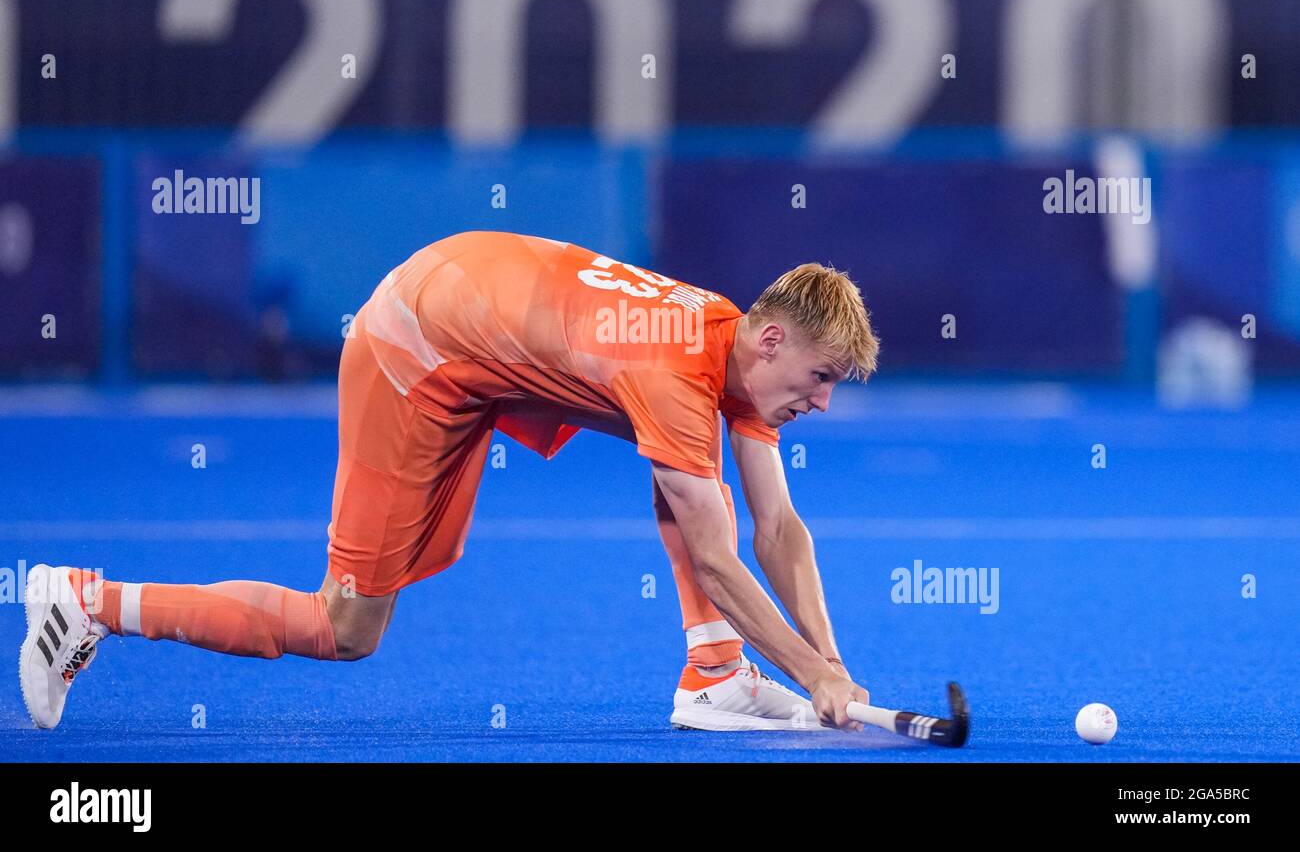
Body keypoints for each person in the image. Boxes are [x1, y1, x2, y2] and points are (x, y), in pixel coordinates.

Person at [21, 230, 878, 732]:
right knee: (345, 627)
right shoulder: (673, 368)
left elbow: (778, 531)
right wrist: (810, 676)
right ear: (772, 342)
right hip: (413, 350)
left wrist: (829, 662)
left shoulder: (730, 346)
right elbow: (723, 562)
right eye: (821, 377)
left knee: (689, 472)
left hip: (473, 333)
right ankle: (86, 599)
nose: (825, 402)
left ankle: (714, 674)